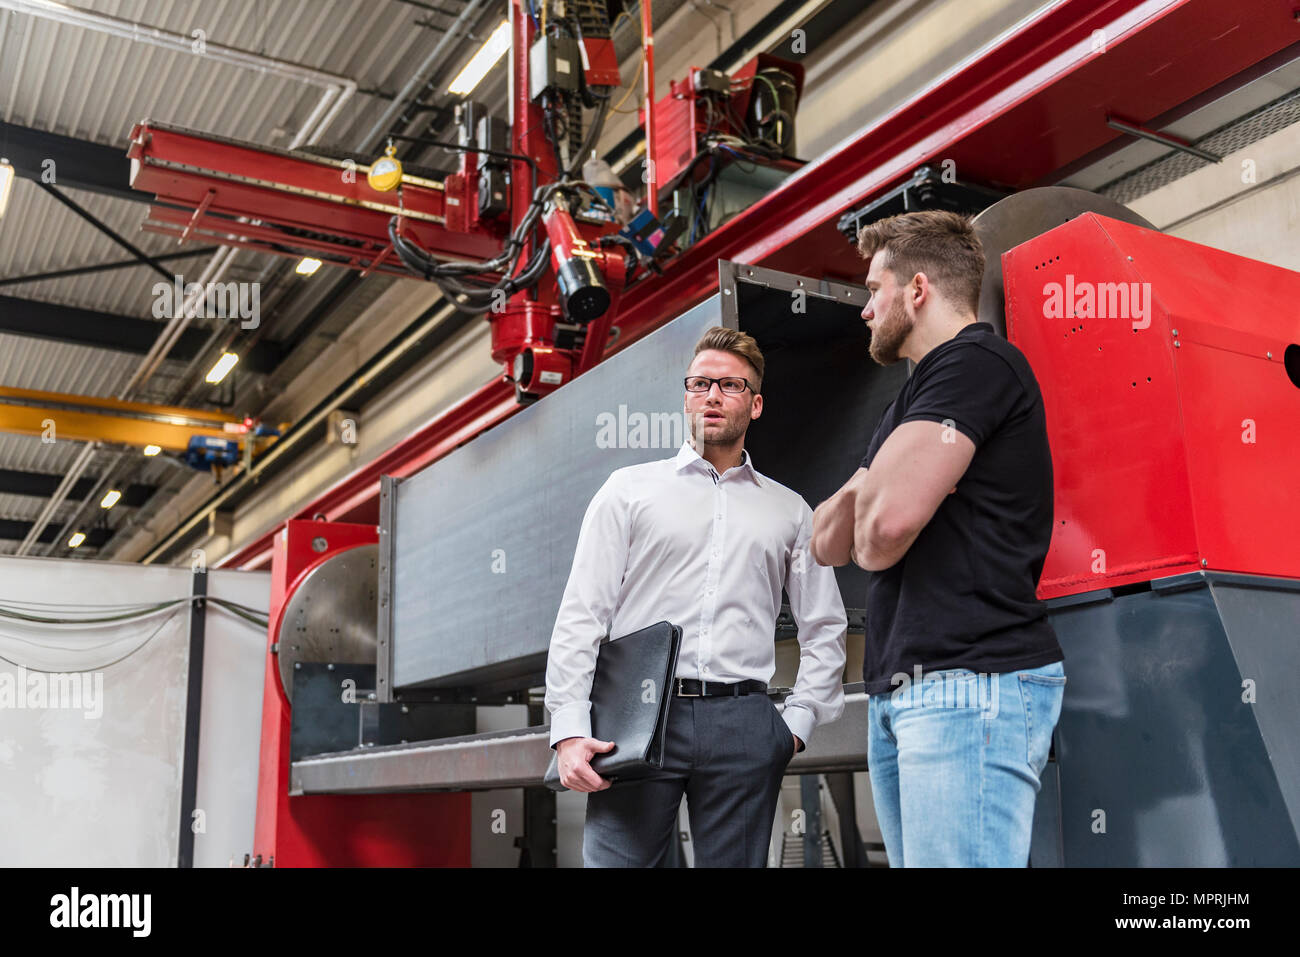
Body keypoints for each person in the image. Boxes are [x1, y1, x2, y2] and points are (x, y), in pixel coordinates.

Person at [810, 210, 1066, 867]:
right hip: (909, 690)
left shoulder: (977, 365)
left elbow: (883, 530)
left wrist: (876, 498)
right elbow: (826, 541)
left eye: (875, 288)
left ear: (917, 289)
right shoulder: (910, 401)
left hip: (968, 685)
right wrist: (881, 493)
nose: (866, 309)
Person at [546, 326, 848, 867]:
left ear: (755, 405)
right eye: (699, 383)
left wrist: (795, 725)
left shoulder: (789, 510)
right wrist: (569, 729)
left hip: (745, 721)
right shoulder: (628, 490)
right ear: (685, 396)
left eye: (730, 385)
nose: (711, 396)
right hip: (636, 717)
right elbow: (582, 615)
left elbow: (824, 624)